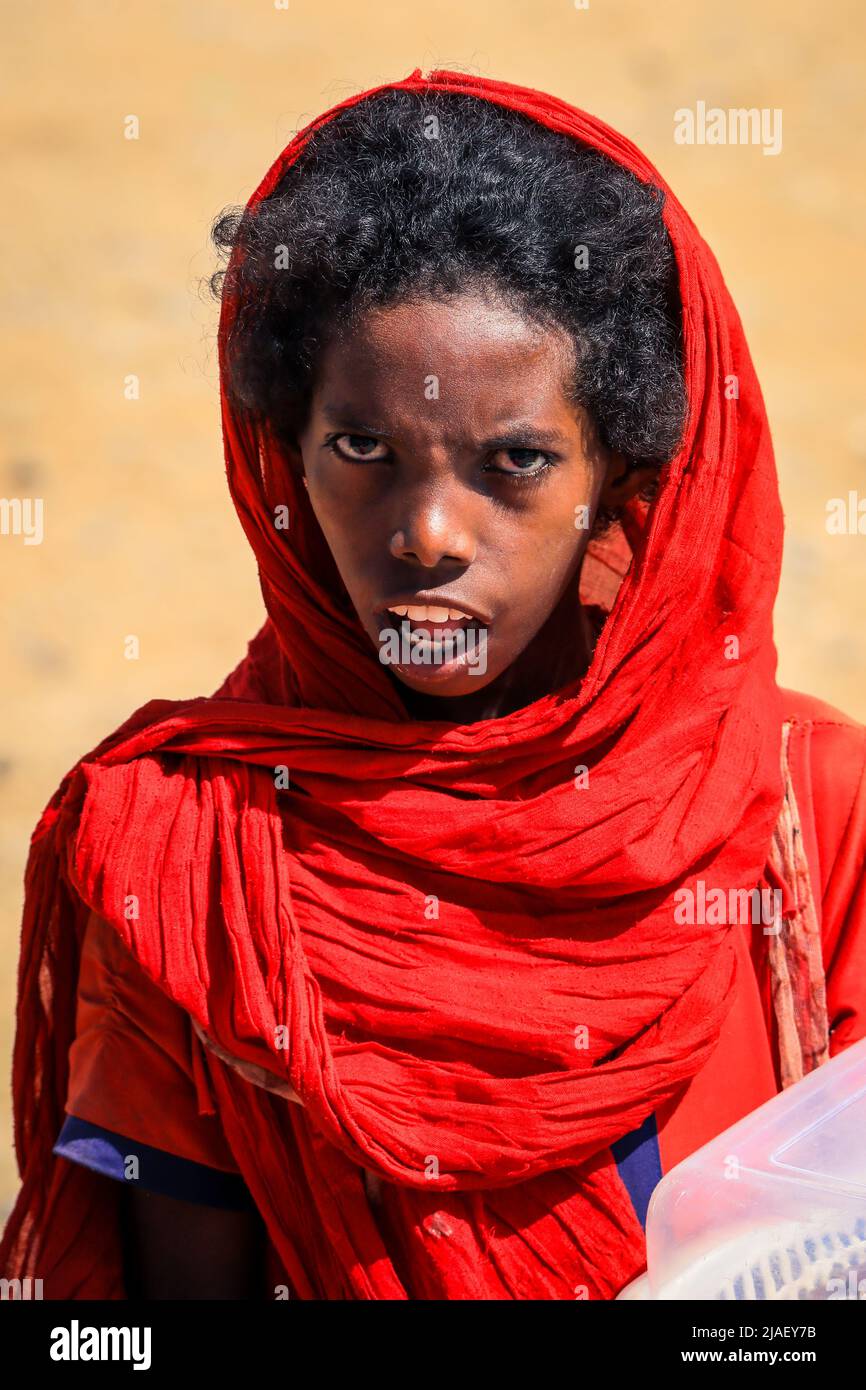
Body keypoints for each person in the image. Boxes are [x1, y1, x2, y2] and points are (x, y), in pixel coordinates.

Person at [2, 67, 865, 1301]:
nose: (426, 535)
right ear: (284, 452)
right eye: (363, 448)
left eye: (514, 461)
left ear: (616, 471)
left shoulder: (806, 815)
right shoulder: (189, 863)